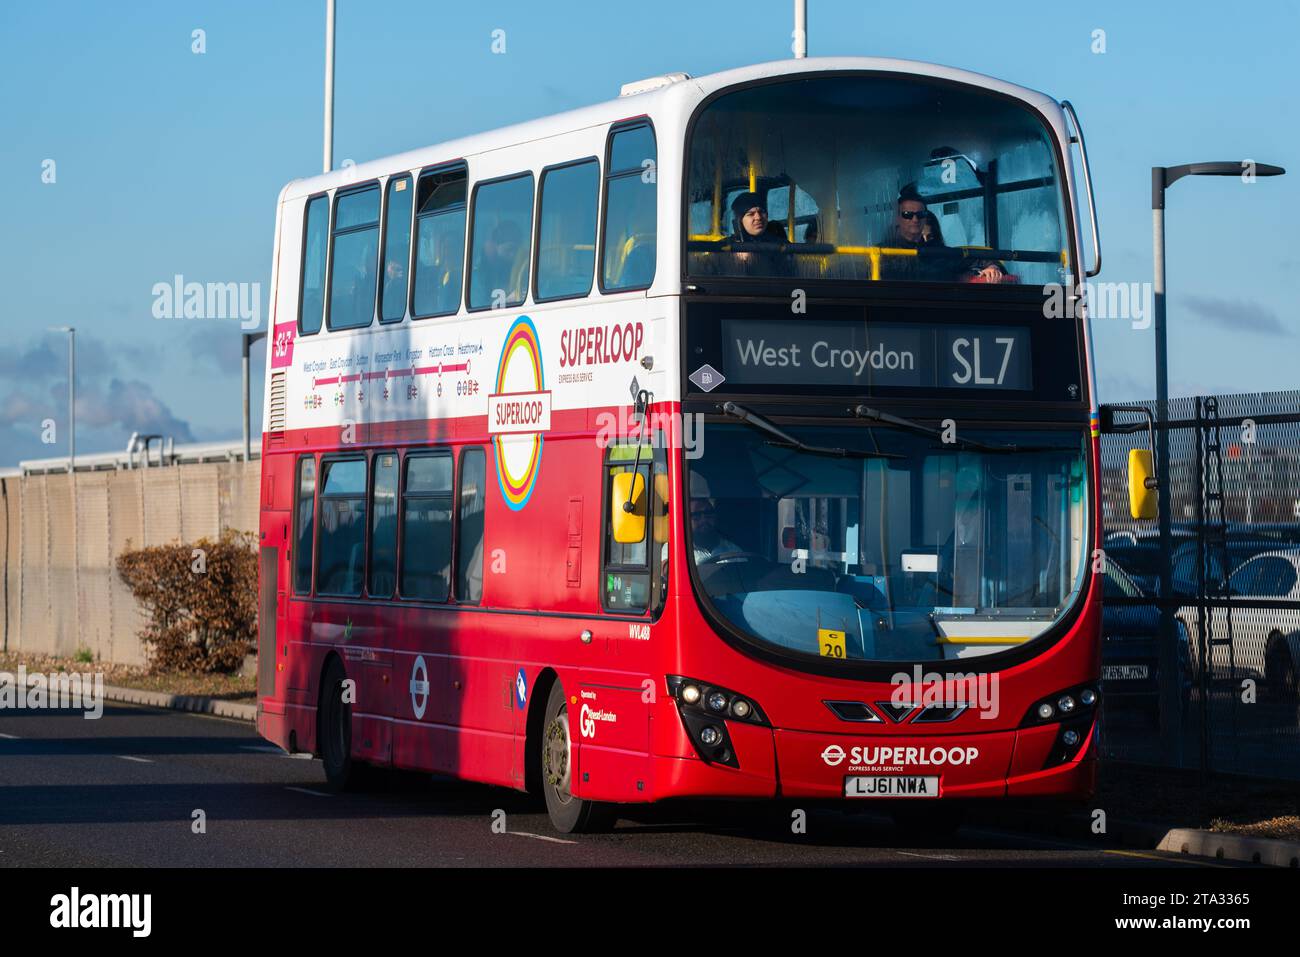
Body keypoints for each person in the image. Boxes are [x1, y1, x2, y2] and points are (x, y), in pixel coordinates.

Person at [877, 184, 955, 282]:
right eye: (907, 215)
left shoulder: (938, 253)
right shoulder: (880, 253)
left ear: (925, 217)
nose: (915, 219)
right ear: (897, 218)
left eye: (920, 214)